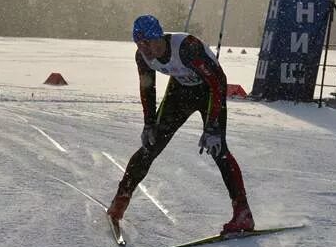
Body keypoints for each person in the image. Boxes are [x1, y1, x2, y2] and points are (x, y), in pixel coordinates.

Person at [106, 14, 255, 234]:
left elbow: (217, 83)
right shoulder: (142, 56)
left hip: (209, 92)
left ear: (159, 37)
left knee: (218, 149)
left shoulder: (187, 47)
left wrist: (212, 126)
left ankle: (243, 214)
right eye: (139, 44)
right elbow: (147, 88)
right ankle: (120, 202)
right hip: (181, 93)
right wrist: (148, 124)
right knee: (150, 147)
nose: (145, 49)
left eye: (148, 43)